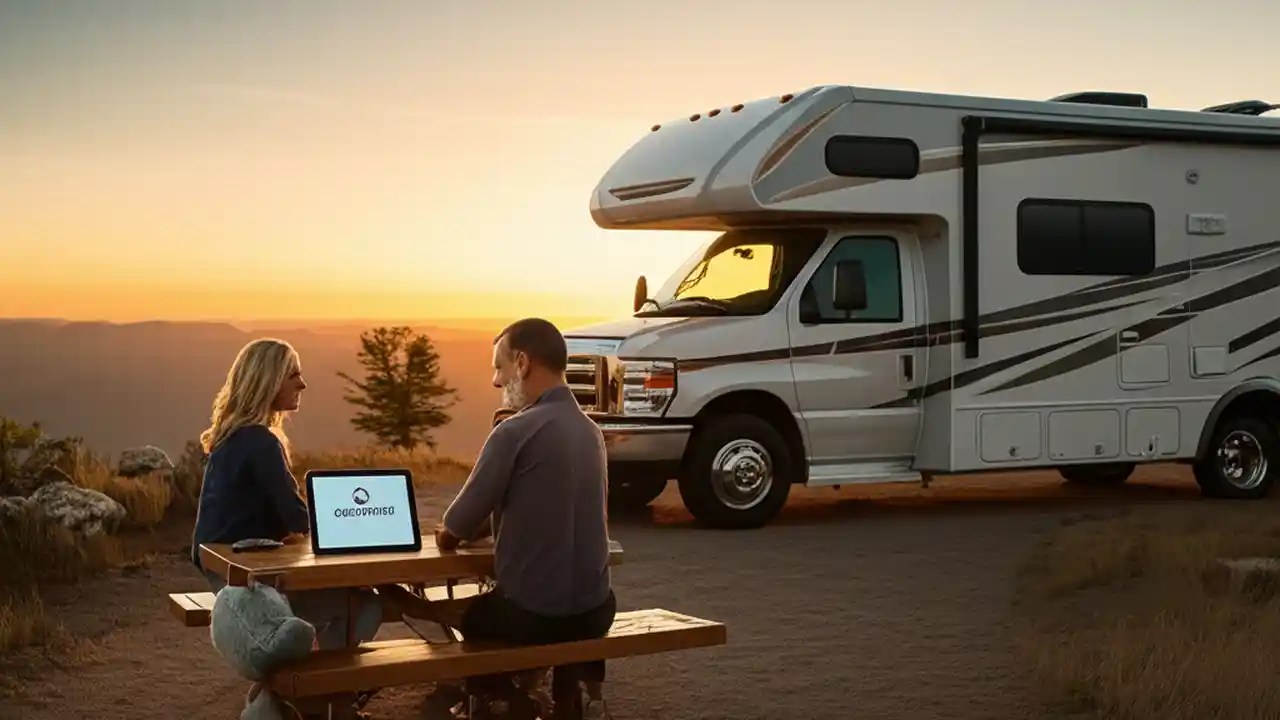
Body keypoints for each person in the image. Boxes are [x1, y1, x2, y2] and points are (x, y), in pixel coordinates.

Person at [385, 317, 616, 718]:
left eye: (499, 366)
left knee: (462, 615)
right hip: (597, 610)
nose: (496, 381)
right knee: (539, 607)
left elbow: (453, 529)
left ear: (522, 363)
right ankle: (566, 691)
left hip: (534, 618)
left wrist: (449, 532)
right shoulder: (590, 431)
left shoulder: (514, 431)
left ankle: (499, 699)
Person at [190, 337, 382, 720]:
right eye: (293, 375)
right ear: (269, 380)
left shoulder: (233, 436)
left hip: (223, 571)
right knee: (366, 605)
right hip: (249, 582)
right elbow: (298, 520)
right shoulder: (261, 441)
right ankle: (321, 699)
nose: (302, 384)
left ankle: (306, 697)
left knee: (337, 608)